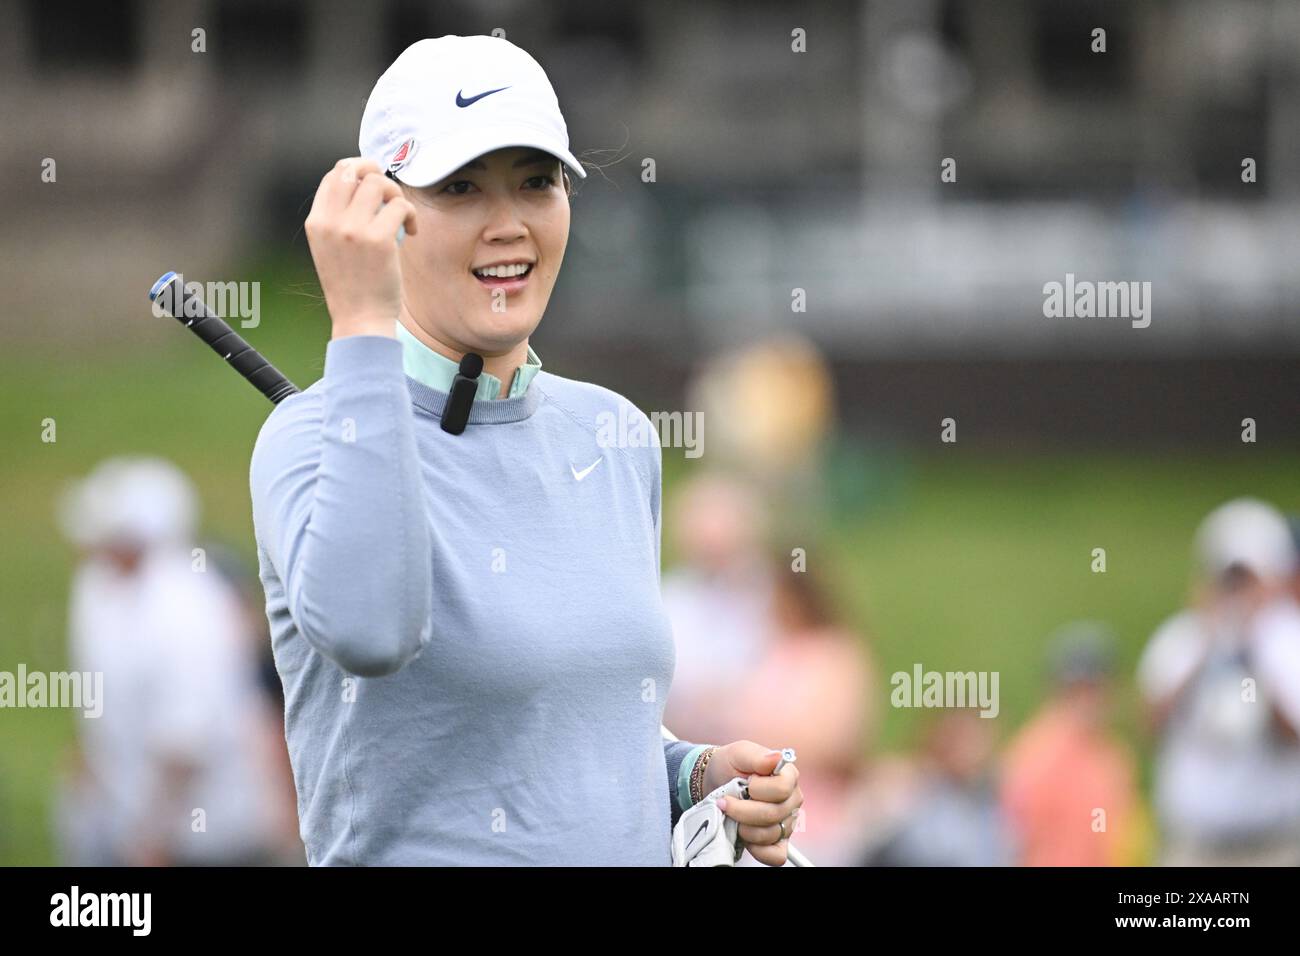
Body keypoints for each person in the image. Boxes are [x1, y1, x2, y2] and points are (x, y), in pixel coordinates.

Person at [249, 35, 802, 866]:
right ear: (380, 213)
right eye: (460, 188)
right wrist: (360, 319)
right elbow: (372, 631)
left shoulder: (614, 435)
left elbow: (568, 734)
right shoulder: (310, 439)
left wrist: (690, 775)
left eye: (536, 182)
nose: (508, 224)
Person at [54, 457, 286, 865]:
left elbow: (186, 741)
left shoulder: (188, 608)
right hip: (134, 822)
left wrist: (151, 841)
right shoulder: (102, 589)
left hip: (212, 837)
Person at [1137, 498, 1300, 866]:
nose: (1235, 592)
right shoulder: (1182, 638)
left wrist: (1253, 652)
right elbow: (1151, 725)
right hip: (1194, 846)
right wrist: (1206, 645)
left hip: (1273, 847)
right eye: (1229, 579)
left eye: (1246, 579)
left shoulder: (1287, 641)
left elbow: (1293, 736)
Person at [1001, 623, 1148, 866]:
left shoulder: (1115, 755)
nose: (1088, 701)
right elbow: (1014, 839)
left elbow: (1111, 830)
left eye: (1096, 689)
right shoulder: (1035, 755)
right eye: (1077, 690)